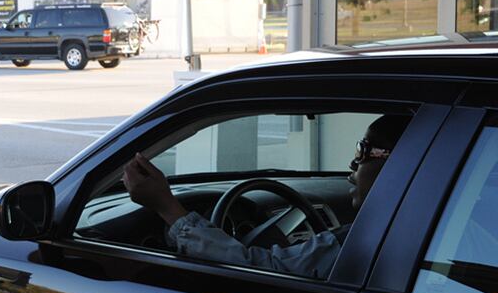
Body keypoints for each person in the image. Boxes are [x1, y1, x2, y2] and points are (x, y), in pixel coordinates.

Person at [122, 114, 411, 279]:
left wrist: (167, 207)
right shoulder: (412, 233)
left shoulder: (365, 242)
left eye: (363, 150)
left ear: (401, 163)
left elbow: (256, 272)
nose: (353, 163)